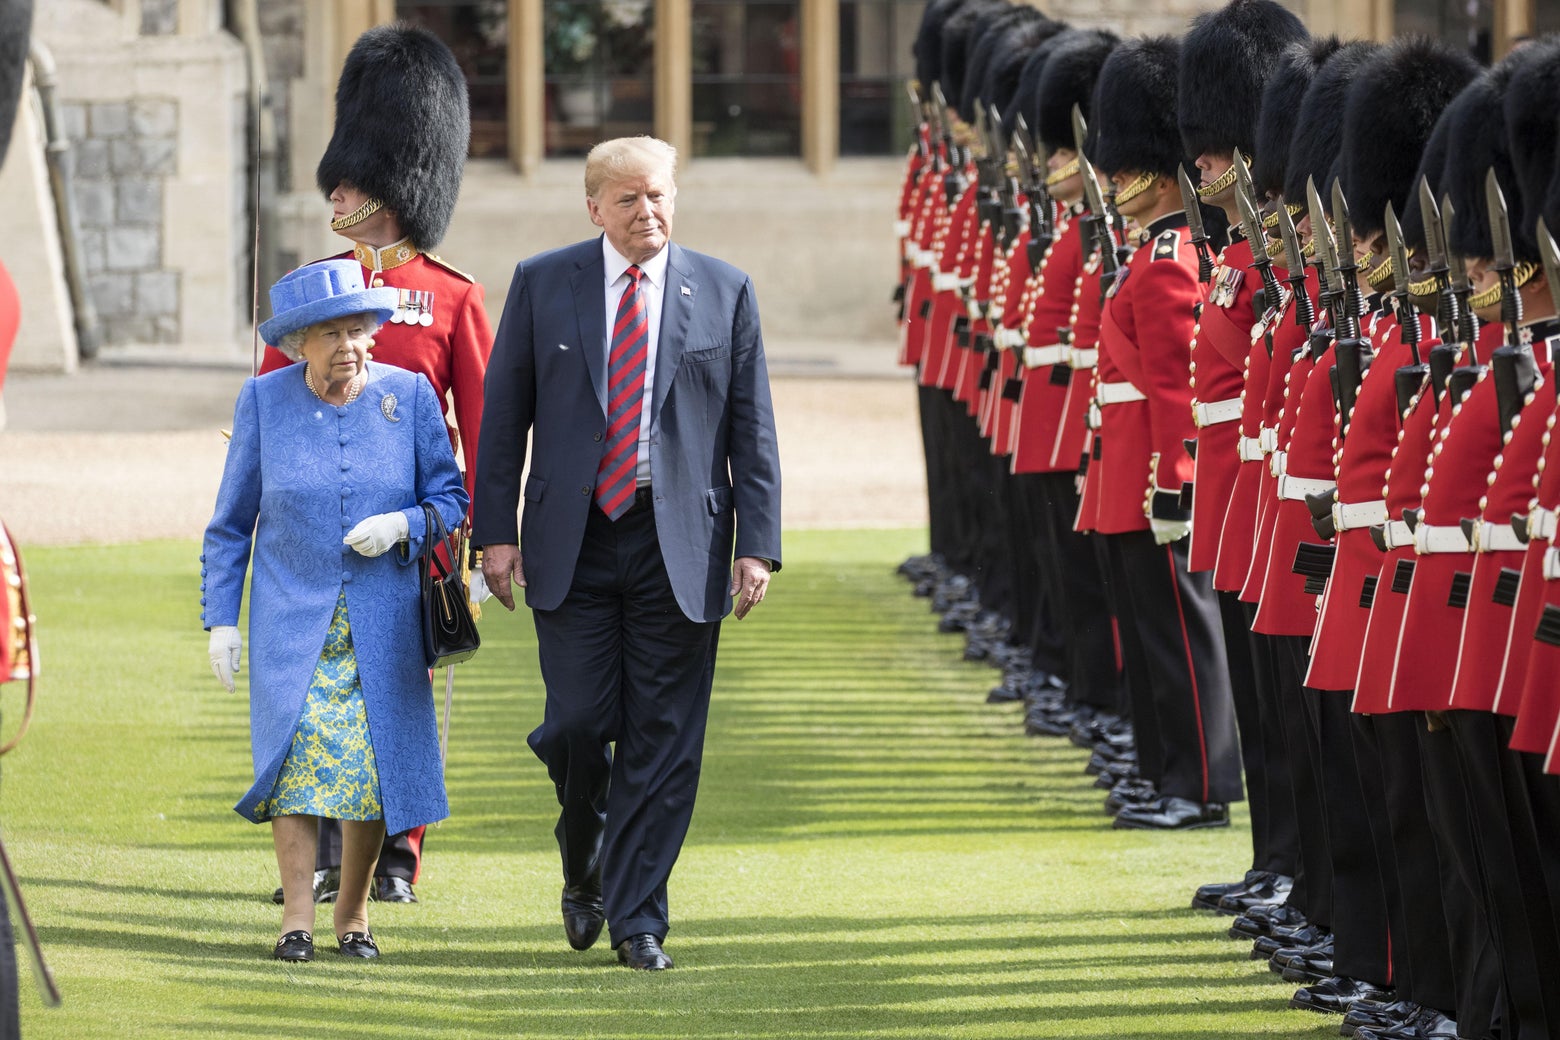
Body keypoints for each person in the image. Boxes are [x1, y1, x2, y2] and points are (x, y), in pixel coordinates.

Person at [473, 136, 782, 970]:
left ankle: (638, 916)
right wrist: (494, 533)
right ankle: (586, 858)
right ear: (594, 209)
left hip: (680, 542)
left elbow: (752, 429)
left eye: (659, 196)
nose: (647, 212)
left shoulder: (725, 289)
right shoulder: (543, 282)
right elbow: (503, 418)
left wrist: (757, 545)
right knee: (578, 723)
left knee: (663, 737)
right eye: (628, 199)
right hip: (571, 538)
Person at [257, 22, 492, 906]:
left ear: (392, 188)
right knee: (315, 687)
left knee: (400, 695)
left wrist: (482, 543)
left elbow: (483, 430)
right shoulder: (312, 288)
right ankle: (322, 855)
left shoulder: (453, 297)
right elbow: (269, 413)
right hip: (316, 534)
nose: (337, 191)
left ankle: (396, 858)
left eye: (352, 182)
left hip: (409, 539)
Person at [202, 259, 468, 962]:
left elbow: (450, 500)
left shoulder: (409, 396)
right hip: (290, 620)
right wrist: (222, 621)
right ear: (299, 344)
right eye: (331, 333)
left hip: (383, 622)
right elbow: (230, 524)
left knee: (370, 770)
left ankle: (353, 914)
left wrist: (404, 525)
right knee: (293, 763)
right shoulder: (263, 401)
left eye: (357, 329)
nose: (349, 345)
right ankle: (296, 919)